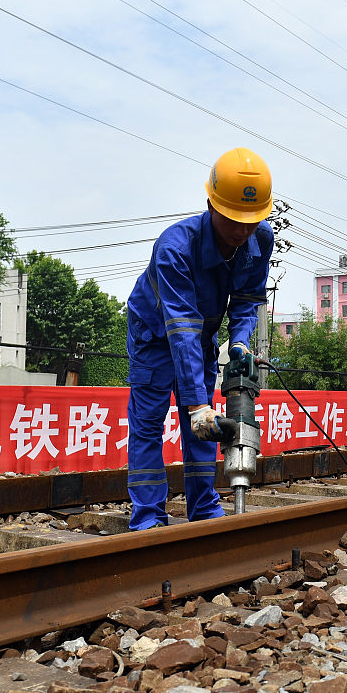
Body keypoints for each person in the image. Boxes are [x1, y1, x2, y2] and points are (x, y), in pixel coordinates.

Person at [125, 148, 275, 530]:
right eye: (233, 220)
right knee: (150, 422)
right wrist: (196, 406)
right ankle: (148, 517)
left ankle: (204, 510)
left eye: (251, 221)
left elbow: (247, 300)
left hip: (201, 334)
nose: (242, 231)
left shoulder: (260, 239)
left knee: (203, 432)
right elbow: (181, 328)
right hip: (154, 333)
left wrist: (239, 342)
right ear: (211, 205)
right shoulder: (174, 247)